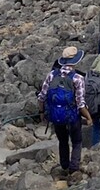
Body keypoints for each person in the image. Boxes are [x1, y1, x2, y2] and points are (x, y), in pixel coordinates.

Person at [38, 46, 90, 176]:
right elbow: (80, 103)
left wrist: (41, 112)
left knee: (62, 141)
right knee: (77, 141)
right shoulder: (77, 78)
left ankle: (64, 166)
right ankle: (74, 168)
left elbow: (41, 97)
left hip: (56, 116)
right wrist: (88, 117)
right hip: (72, 117)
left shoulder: (52, 75)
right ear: (75, 61)